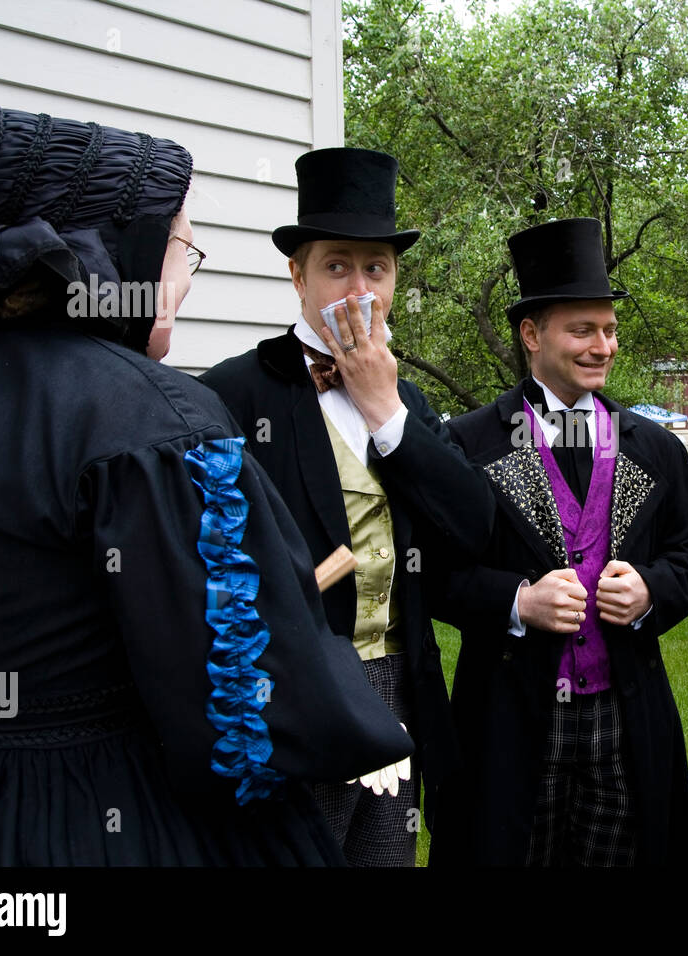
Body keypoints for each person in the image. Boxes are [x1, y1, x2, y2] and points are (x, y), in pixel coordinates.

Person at [0, 106, 412, 865]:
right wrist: (354, 715)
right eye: (182, 244)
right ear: (119, 250)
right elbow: (244, 713)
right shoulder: (155, 420)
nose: (184, 270)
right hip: (98, 814)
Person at [199, 148, 493, 866]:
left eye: (376, 268)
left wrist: (385, 408)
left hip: (400, 686)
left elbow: (474, 526)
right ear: (296, 274)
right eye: (336, 266)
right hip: (293, 690)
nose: (358, 288)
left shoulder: (410, 400)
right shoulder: (231, 395)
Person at [427, 217, 688, 866]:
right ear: (532, 334)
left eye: (609, 329)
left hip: (625, 712)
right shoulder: (471, 444)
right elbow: (432, 572)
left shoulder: (656, 448)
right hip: (508, 718)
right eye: (582, 329)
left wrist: (651, 591)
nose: (602, 346)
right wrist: (515, 603)